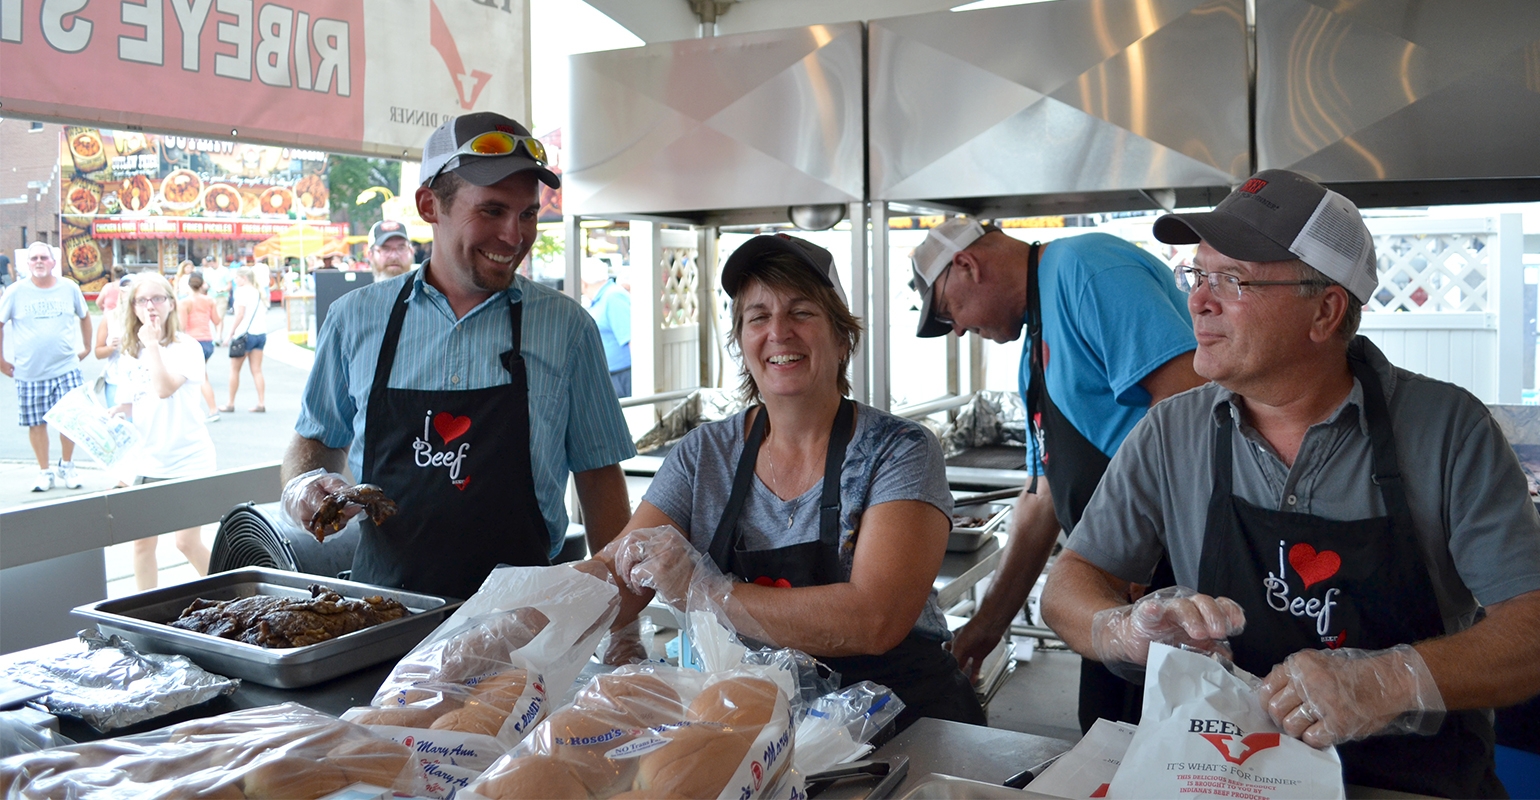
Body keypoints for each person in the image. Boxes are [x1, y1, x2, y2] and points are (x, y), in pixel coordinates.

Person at [1040, 170, 1540, 798]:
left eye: (1232, 280)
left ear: (1325, 311)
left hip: (1414, 785)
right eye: (1197, 275)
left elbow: (1531, 628)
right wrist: (1125, 630)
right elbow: (1069, 584)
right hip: (1226, 778)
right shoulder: (1173, 431)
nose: (1198, 302)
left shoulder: (1448, 430)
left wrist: (1387, 682)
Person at [596, 234, 982, 731]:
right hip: (756, 729)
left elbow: (875, 618)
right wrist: (517, 617)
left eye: (801, 312)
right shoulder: (703, 455)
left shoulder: (899, 449)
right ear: (741, 342)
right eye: (758, 317)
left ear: (842, 339)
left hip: (903, 724)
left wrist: (705, 589)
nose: (779, 332)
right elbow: (616, 574)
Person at [279, 111, 637, 600]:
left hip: (524, 618)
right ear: (430, 205)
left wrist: (621, 615)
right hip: (386, 612)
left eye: (528, 214)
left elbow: (599, 479)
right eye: (492, 211)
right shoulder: (354, 319)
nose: (514, 236)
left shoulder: (567, 328)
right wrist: (304, 485)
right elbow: (317, 439)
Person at [909, 218, 1204, 729]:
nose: (956, 328)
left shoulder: (1084, 267)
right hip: (1113, 588)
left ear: (966, 265)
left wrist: (1134, 550)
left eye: (946, 310)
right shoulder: (1034, 347)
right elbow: (1042, 497)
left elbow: (1187, 398)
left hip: (1173, 579)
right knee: (1107, 732)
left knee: (1173, 746)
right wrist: (986, 626)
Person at [112, 274, 217, 590]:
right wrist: (112, 415)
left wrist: (153, 345)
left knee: (186, 542)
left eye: (158, 298)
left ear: (171, 304)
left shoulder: (186, 347)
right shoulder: (130, 352)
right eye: (142, 300)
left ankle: (237, 595)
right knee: (142, 543)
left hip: (188, 460)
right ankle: (145, 609)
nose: (150, 306)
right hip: (147, 461)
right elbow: (130, 403)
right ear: (132, 307)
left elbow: (164, 389)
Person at [0, 242, 92, 492]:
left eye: (44, 257)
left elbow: (85, 315)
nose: (39, 262)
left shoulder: (69, 288)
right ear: (27, 264)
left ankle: (67, 465)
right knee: (36, 423)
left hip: (66, 367)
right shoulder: (15, 292)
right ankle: (44, 471)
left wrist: (86, 346)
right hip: (30, 372)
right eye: (34, 258)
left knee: (71, 419)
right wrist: (1, 361)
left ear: (53, 262)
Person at [581, 257, 632, 398]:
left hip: (622, 376)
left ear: (584, 283)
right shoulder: (605, 298)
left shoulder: (613, 297)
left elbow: (631, 338)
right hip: (612, 375)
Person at [220, 268, 267, 413]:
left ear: (244, 278)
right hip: (260, 333)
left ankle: (230, 403)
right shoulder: (258, 291)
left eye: (237, 278)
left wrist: (230, 333)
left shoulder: (241, 292)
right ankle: (261, 403)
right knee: (257, 370)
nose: (235, 281)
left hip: (244, 334)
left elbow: (240, 315)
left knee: (234, 370)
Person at [178, 273, 223, 420]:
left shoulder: (185, 303)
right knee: (196, 376)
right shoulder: (210, 301)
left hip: (193, 341)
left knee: (201, 377)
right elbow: (217, 320)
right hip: (207, 341)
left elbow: (182, 326)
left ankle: (213, 410)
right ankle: (195, 409)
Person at [93, 275, 133, 407]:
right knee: (118, 417)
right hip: (115, 380)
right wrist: (110, 348)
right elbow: (98, 352)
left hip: (140, 381)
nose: (127, 293)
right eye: (124, 289)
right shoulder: (110, 317)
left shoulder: (146, 317)